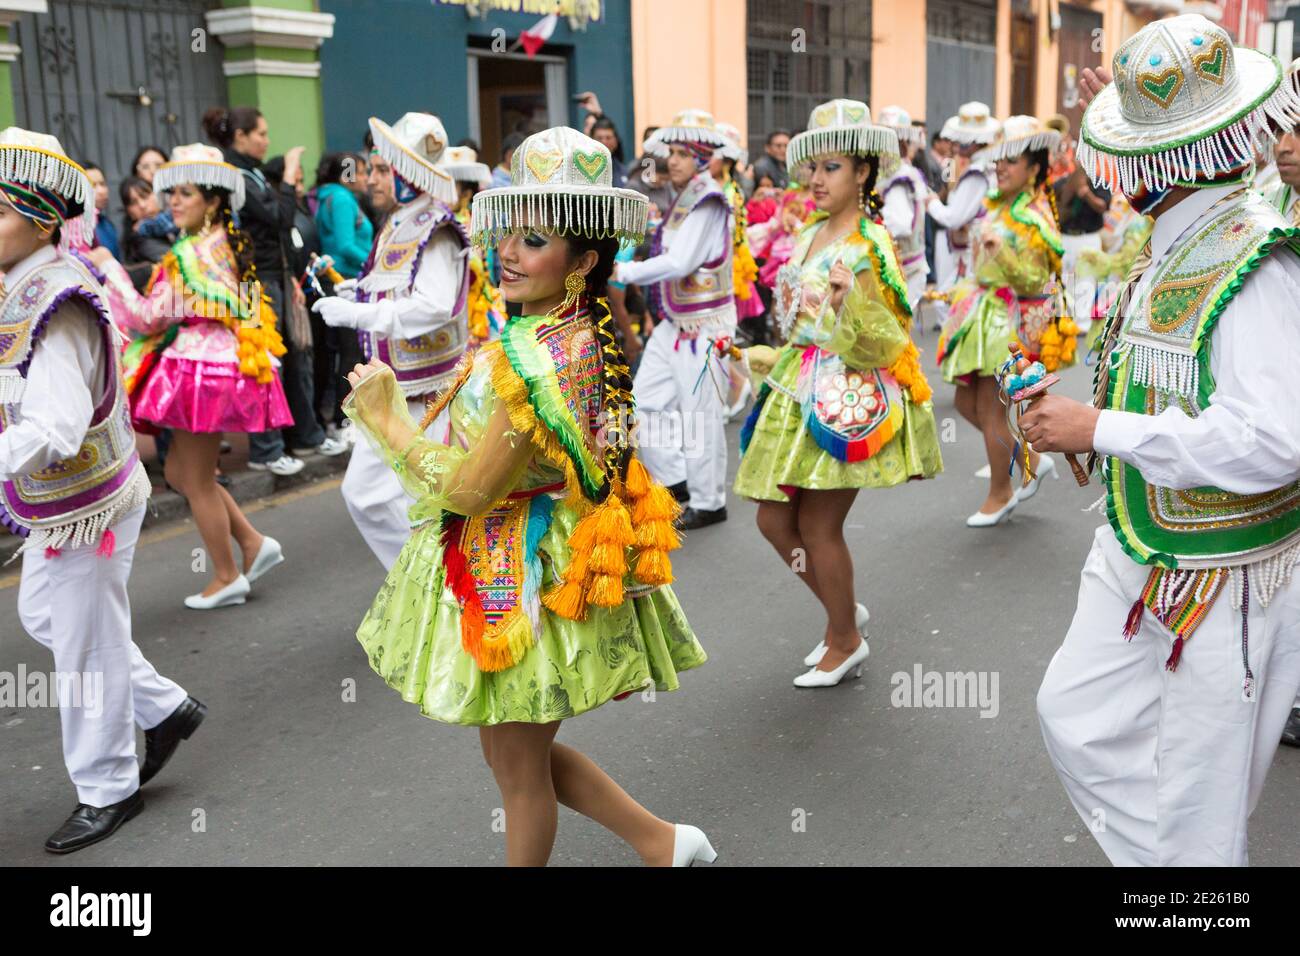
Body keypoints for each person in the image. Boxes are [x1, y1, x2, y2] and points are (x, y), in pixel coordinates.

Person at [342, 125, 713, 867]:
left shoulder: (539, 357)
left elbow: (474, 490)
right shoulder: (558, 330)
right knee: (515, 755)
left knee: (516, 767)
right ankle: (664, 843)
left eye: (534, 239)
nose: (508, 252)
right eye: (508, 231)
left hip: (521, 568)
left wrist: (385, 422)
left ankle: (664, 842)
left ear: (582, 260)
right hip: (510, 548)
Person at [1032, 14, 1300, 866]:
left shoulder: (1255, 262)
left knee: (1199, 797)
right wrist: (1101, 434)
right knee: (1075, 716)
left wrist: (1101, 427)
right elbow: (1177, 377)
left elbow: (1275, 440)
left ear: (1158, 163)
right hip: (1148, 541)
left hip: (1229, 571)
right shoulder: (1183, 234)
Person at [0, 127, 204, 853]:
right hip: (69, 498)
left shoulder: (58, 299)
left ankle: (108, 786)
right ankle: (164, 706)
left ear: (43, 218)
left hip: (89, 504)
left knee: (82, 647)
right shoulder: (23, 280)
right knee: (50, 618)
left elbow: (53, 427)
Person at [733, 99, 942, 687]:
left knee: (820, 528)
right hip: (796, 385)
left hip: (843, 396)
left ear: (863, 174)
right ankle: (841, 609)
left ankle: (845, 638)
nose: (817, 180)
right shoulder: (808, 234)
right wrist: (767, 350)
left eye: (832, 168)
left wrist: (851, 302)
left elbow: (890, 339)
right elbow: (795, 321)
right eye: (814, 168)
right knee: (775, 522)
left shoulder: (872, 245)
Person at [87, 143, 293, 610]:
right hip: (219, 366)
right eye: (172, 193)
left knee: (195, 479)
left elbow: (144, 317)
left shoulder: (188, 256)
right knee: (182, 471)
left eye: (185, 193)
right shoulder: (222, 244)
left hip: (200, 373)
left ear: (213, 201)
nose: (174, 201)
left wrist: (109, 271)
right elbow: (241, 306)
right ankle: (253, 542)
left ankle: (224, 576)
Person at [313, 113, 472, 571]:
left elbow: (435, 306)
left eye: (383, 169)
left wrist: (358, 313)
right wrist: (354, 292)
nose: (371, 177)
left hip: (426, 397)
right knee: (375, 497)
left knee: (417, 502)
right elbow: (394, 287)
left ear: (407, 175)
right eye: (373, 167)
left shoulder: (434, 228)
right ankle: (430, 593)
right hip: (394, 391)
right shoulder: (399, 221)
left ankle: (436, 594)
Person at [935, 115, 1074, 527]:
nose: (1001, 167)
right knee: (965, 403)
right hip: (980, 314)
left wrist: (1003, 253)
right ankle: (1029, 457)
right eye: (999, 159)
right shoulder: (1000, 206)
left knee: (991, 410)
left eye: (1011, 160)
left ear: (1033, 168)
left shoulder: (1033, 216)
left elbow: (1036, 280)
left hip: (1006, 322)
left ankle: (1001, 492)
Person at [204, 106, 345, 473]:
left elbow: (279, 226)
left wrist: (290, 279)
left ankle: (304, 436)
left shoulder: (252, 173)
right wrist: (286, 176)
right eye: (261, 133)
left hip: (275, 277)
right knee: (263, 364)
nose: (267, 140)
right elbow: (280, 217)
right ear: (240, 137)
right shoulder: (235, 176)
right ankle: (265, 450)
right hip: (251, 281)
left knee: (296, 357)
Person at [616, 110, 737, 530]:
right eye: (672, 152)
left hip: (705, 326)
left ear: (703, 159)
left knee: (700, 415)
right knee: (645, 400)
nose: (673, 161)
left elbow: (682, 261)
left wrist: (625, 272)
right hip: (674, 323)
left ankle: (709, 500)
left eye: (684, 154)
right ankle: (677, 480)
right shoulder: (681, 199)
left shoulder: (708, 201)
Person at [926, 103, 999, 333]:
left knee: (953, 305)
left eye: (960, 141)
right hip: (970, 248)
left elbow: (954, 217)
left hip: (969, 252)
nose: (956, 146)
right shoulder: (979, 166)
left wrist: (931, 203)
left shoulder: (977, 172)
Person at [876, 106, 931, 312]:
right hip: (906, 267)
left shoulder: (899, 177)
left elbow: (899, 224)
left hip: (904, 270)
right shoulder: (896, 174)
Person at [81, 162, 119, 259]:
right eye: (92, 185)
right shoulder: (74, 229)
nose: (101, 191)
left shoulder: (107, 225)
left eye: (102, 184)